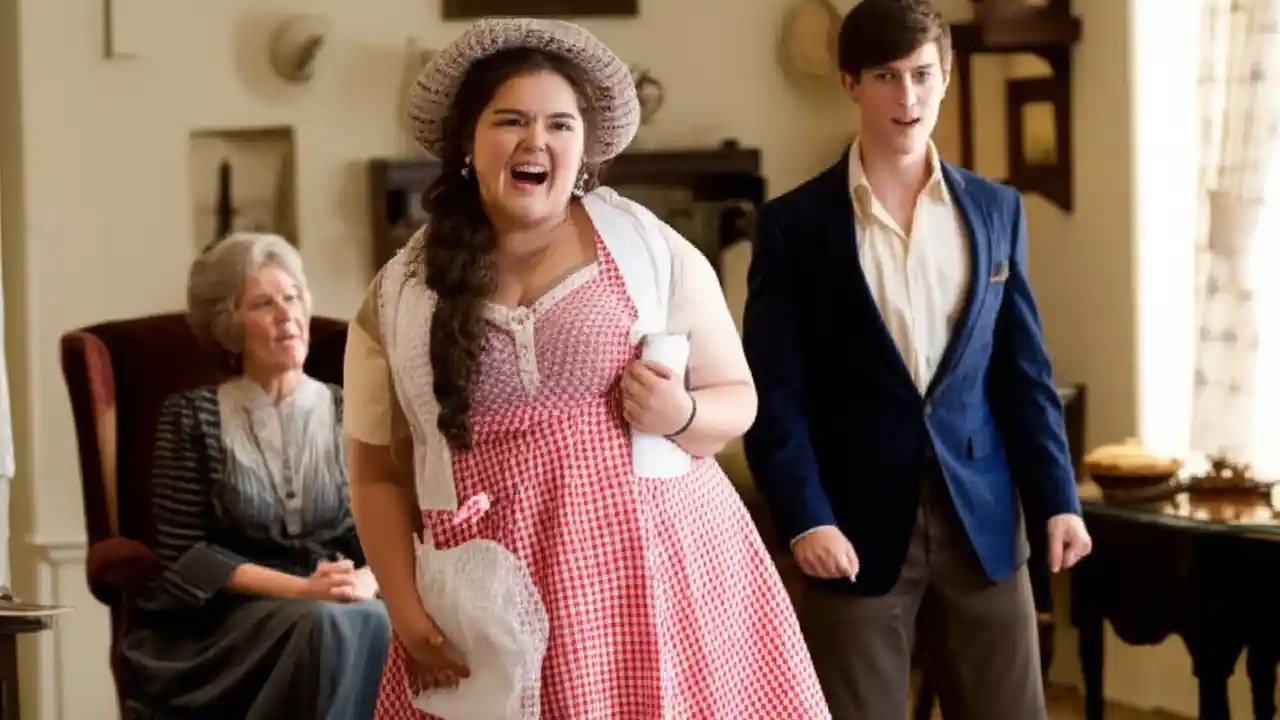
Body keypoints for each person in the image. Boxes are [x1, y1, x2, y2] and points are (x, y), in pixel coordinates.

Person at [343, 16, 829, 720]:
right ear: (466, 143)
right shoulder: (396, 296)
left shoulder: (651, 250)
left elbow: (739, 397)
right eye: (510, 120)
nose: (536, 141)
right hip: (486, 610)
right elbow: (375, 473)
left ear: (585, 149)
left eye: (560, 125)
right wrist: (406, 609)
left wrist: (684, 414)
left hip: (658, 582)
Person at [741, 1, 1094, 718]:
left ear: (947, 77)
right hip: (853, 536)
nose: (907, 97)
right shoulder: (794, 226)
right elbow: (776, 395)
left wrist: (1057, 500)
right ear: (850, 82)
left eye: (922, 75)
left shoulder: (997, 210)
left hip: (985, 527)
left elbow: (1024, 377)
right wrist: (806, 520)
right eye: (886, 76)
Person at [118, 233, 390, 720]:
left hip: (339, 601)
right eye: (264, 303)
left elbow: (385, 526)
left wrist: (368, 580)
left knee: (370, 619)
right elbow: (186, 556)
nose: (286, 314)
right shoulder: (190, 416)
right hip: (226, 627)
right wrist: (304, 590)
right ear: (228, 326)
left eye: (292, 296)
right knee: (326, 625)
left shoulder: (350, 410)